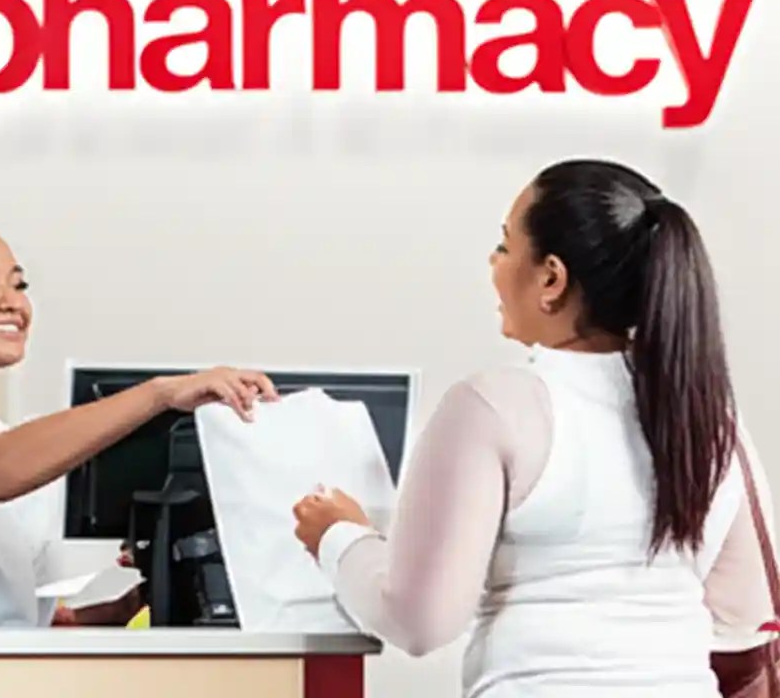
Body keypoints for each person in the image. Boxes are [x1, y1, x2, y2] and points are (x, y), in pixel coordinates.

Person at [292, 159, 775, 696]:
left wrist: (338, 537)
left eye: (504, 245)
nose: (493, 262)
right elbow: (744, 617)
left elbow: (420, 621)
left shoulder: (494, 408)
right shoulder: (709, 419)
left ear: (551, 278)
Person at [0, 216, 277, 629]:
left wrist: (112, 611)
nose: (12, 303)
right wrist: (158, 394)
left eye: (18, 285)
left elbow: (22, 622)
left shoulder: (17, 449)